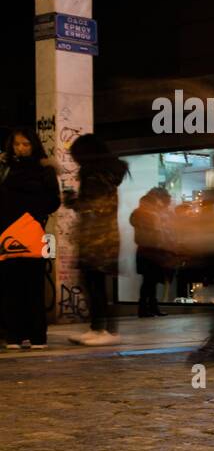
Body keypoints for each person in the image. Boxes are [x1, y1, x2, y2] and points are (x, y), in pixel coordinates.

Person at [0, 129, 61, 349]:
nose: (21, 148)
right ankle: (15, 335)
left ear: (34, 145)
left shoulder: (44, 170)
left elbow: (54, 202)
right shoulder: (5, 169)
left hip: (35, 233)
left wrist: (32, 213)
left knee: (34, 287)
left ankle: (37, 336)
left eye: (26, 144)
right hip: (8, 234)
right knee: (11, 288)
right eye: (17, 144)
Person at [67, 134, 128, 347]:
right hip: (104, 236)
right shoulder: (105, 174)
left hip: (96, 237)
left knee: (94, 285)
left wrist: (75, 202)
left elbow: (96, 205)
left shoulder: (93, 175)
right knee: (95, 284)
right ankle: (99, 328)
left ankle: (104, 330)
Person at [130, 188, 171, 318]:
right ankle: (147, 308)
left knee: (149, 281)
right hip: (152, 251)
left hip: (142, 251)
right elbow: (158, 233)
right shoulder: (150, 215)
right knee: (150, 282)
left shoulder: (137, 214)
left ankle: (149, 308)